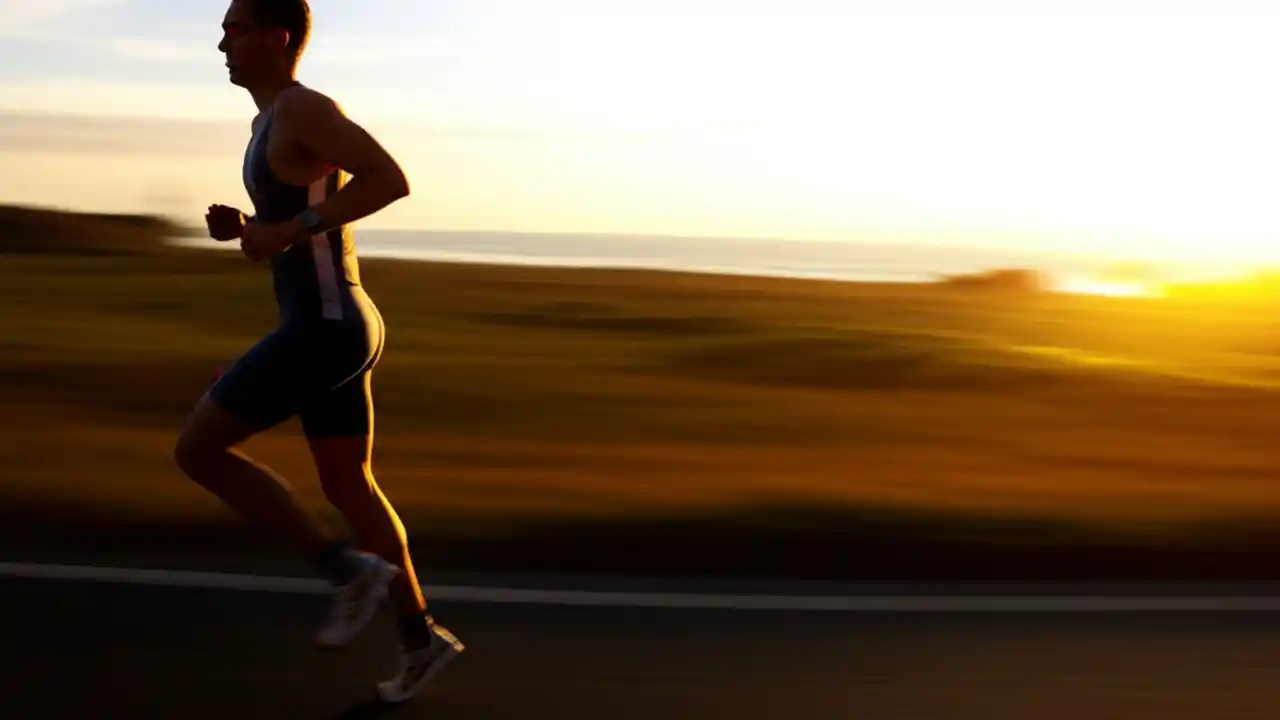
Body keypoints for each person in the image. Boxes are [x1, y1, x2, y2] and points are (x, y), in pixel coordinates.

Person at [173, 0, 463, 704]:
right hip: (334, 322)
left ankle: (343, 570)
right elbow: (289, 236)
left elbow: (388, 180)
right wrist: (248, 228)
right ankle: (421, 639)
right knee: (348, 485)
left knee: (199, 451)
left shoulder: (305, 108)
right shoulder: (265, 124)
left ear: (276, 37)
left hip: (326, 328)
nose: (221, 41)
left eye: (234, 28)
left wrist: (291, 223)